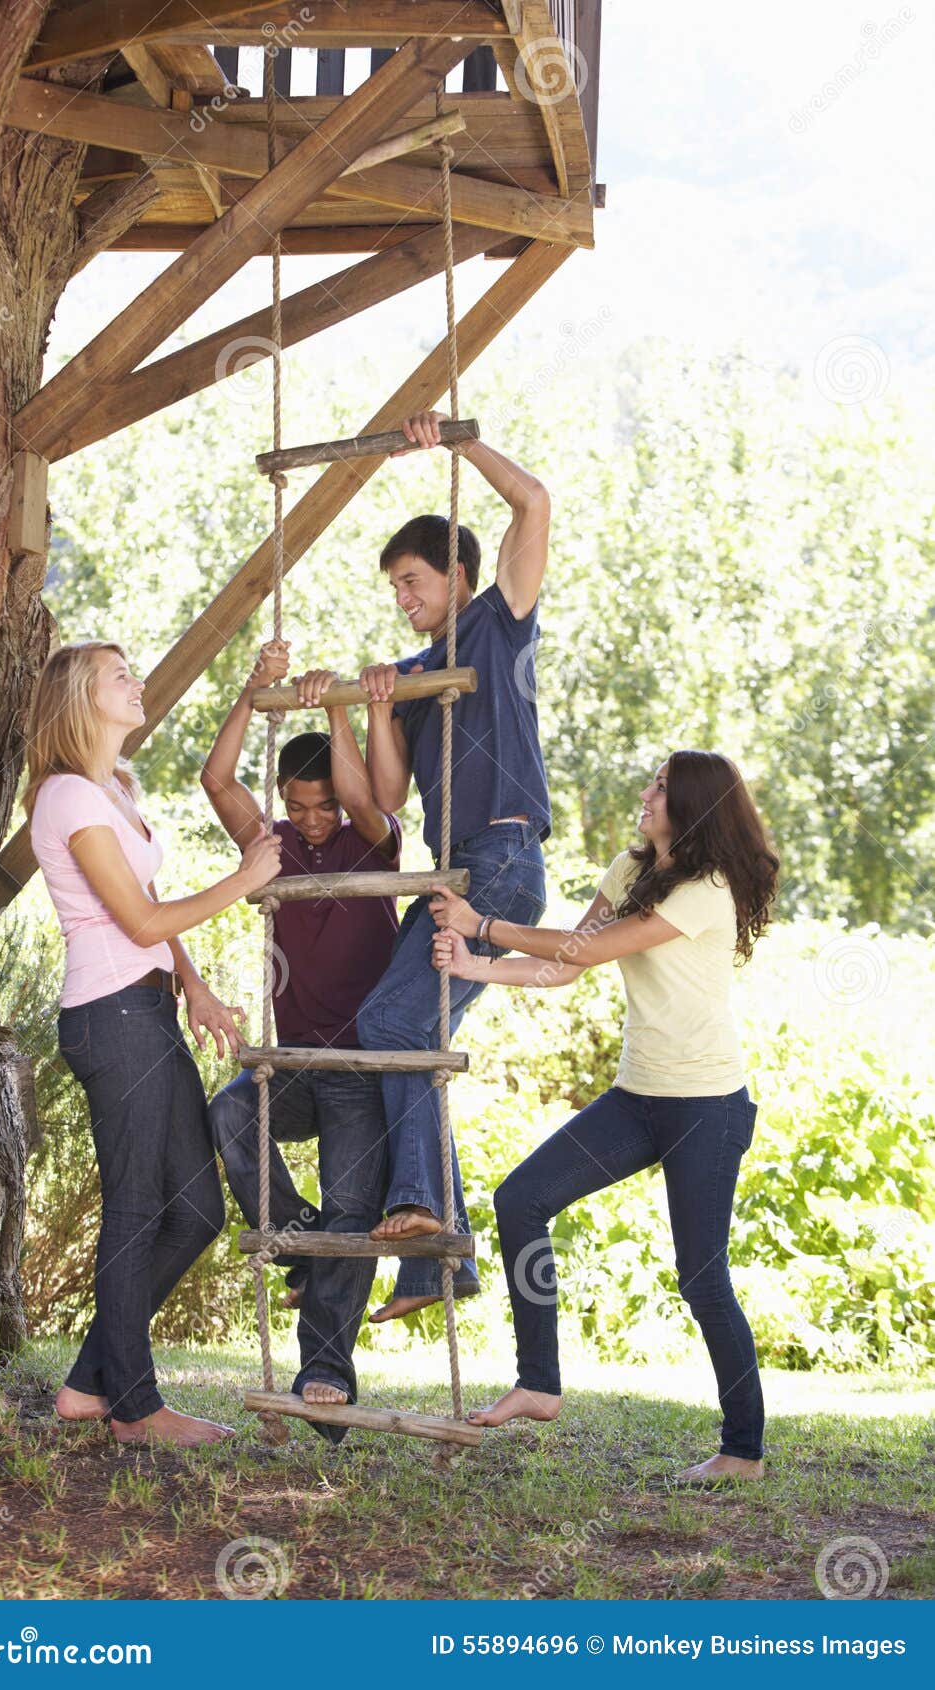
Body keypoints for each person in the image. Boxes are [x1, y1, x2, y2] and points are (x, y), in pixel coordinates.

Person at [432, 750, 779, 1483]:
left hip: (705, 1107)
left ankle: (741, 1451)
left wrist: (482, 925)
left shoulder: (706, 889)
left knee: (701, 1277)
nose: (646, 793)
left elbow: (591, 947)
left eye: (660, 786)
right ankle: (539, 1383)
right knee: (519, 1199)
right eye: (649, 780)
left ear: (691, 806)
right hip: (637, 1097)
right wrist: (473, 966)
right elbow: (564, 965)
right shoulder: (628, 871)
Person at [26, 640, 281, 1448]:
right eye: (120, 676)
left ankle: (85, 1385)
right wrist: (243, 879)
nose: (136, 684)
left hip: (150, 1012)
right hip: (109, 1018)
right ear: (81, 699)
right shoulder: (65, 797)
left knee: (197, 1210)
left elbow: (150, 906)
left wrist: (195, 985)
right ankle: (135, 1408)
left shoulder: (115, 790)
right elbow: (134, 923)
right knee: (137, 1208)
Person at [355, 409, 551, 1321]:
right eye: (393, 585)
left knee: (395, 1022)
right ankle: (440, 1255)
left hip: (502, 861)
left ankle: (427, 1227)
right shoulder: (413, 667)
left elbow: (534, 500)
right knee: (392, 1026)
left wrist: (457, 442)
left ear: (457, 576)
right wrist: (378, 709)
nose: (402, 596)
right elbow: (390, 798)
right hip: (451, 872)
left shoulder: (497, 624)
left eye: (412, 580)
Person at [201, 643, 407, 1429]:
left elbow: (364, 804)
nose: (314, 819)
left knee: (352, 1215)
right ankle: (294, 1240)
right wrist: (252, 694)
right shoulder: (274, 847)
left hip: (357, 1066)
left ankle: (324, 1373)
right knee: (227, 1113)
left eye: (322, 804)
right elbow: (216, 781)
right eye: (299, 805)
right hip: (294, 1066)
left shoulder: (371, 841)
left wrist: (336, 709)